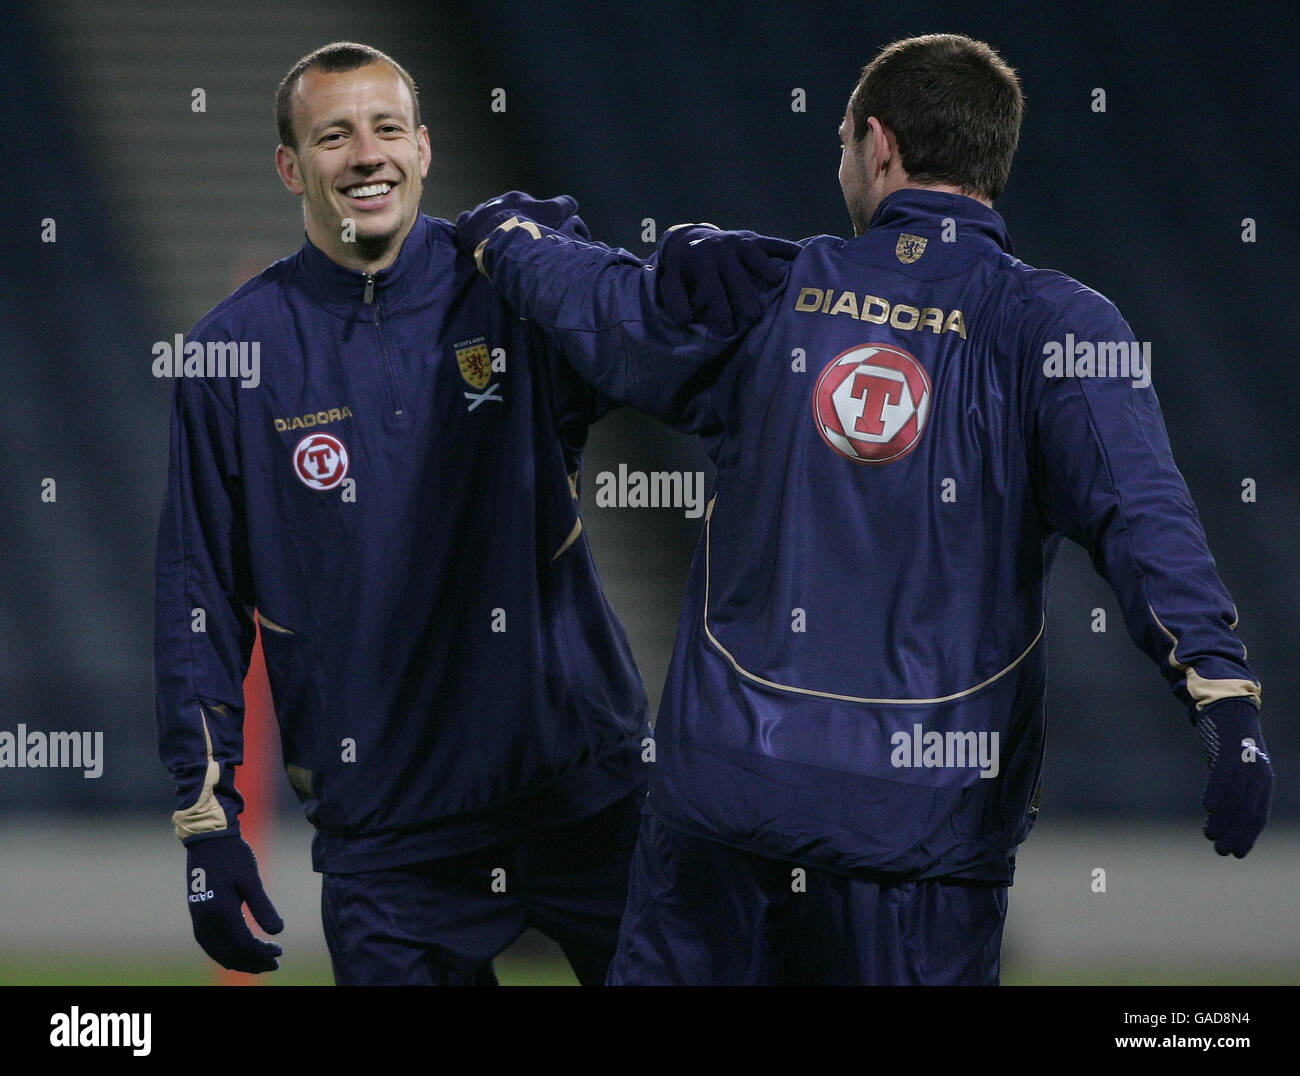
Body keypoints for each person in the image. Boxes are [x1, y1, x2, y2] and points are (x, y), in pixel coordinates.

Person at [455, 33, 1274, 985]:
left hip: (726, 808)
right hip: (923, 835)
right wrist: (1220, 697)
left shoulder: (767, 291)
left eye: (842, 137)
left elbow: (601, 308)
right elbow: (1143, 515)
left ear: (878, 145)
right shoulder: (1060, 324)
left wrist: (509, 231)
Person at [153, 41, 768, 986]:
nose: (367, 154)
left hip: (587, 801)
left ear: (425, 149)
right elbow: (199, 601)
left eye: (387, 128)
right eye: (334, 136)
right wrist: (207, 822)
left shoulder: (510, 282)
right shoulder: (232, 357)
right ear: (290, 167)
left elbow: (655, 351)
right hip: (389, 839)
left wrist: (697, 281)